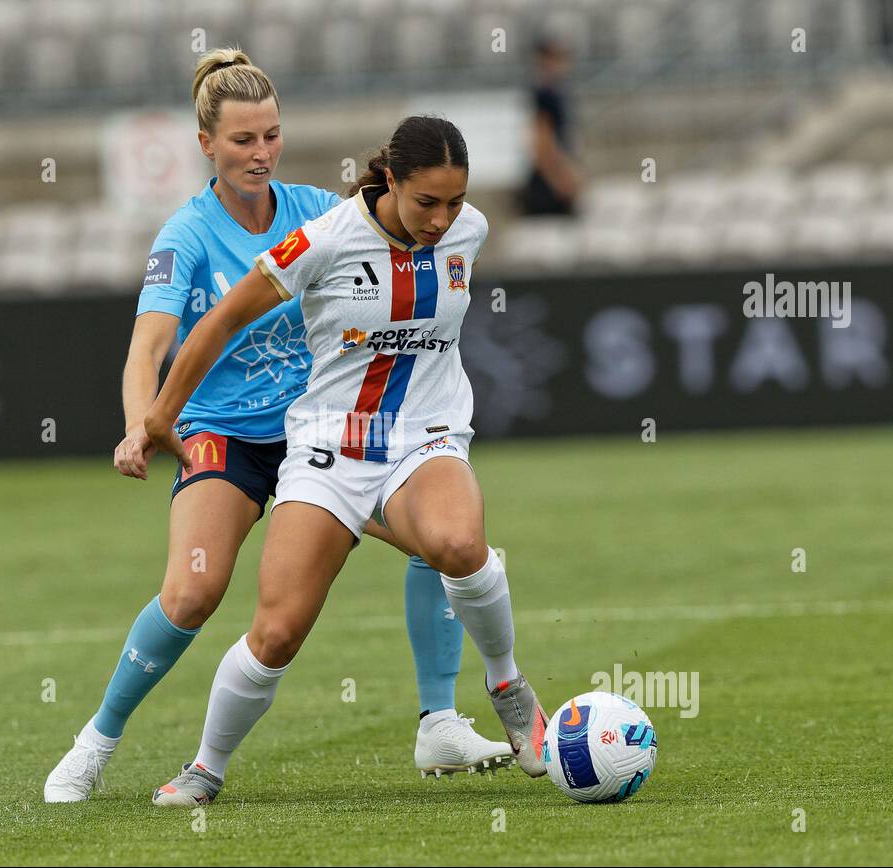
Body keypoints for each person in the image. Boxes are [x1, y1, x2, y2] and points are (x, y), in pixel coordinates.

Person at [44, 52, 510, 803]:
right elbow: (151, 347)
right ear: (206, 145)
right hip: (223, 436)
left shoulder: (316, 213)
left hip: (319, 433)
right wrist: (141, 424)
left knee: (447, 541)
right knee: (193, 594)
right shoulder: (186, 236)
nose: (261, 154)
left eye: (271, 136)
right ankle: (96, 739)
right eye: (242, 141)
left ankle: (441, 720)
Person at [141, 115, 550, 807]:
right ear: (390, 179)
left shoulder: (468, 232)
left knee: (457, 542)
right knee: (276, 633)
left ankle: (509, 687)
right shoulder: (325, 239)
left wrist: (451, 219)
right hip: (331, 446)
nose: (442, 218)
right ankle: (206, 767)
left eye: (455, 201)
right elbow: (220, 320)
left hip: (427, 434)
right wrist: (160, 413)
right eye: (427, 202)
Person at [520, 36, 583, 217]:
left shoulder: (558, 92)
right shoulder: (544, 94)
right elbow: (542, 141)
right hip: (549, 180)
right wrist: (559, 178)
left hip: (557, 171)